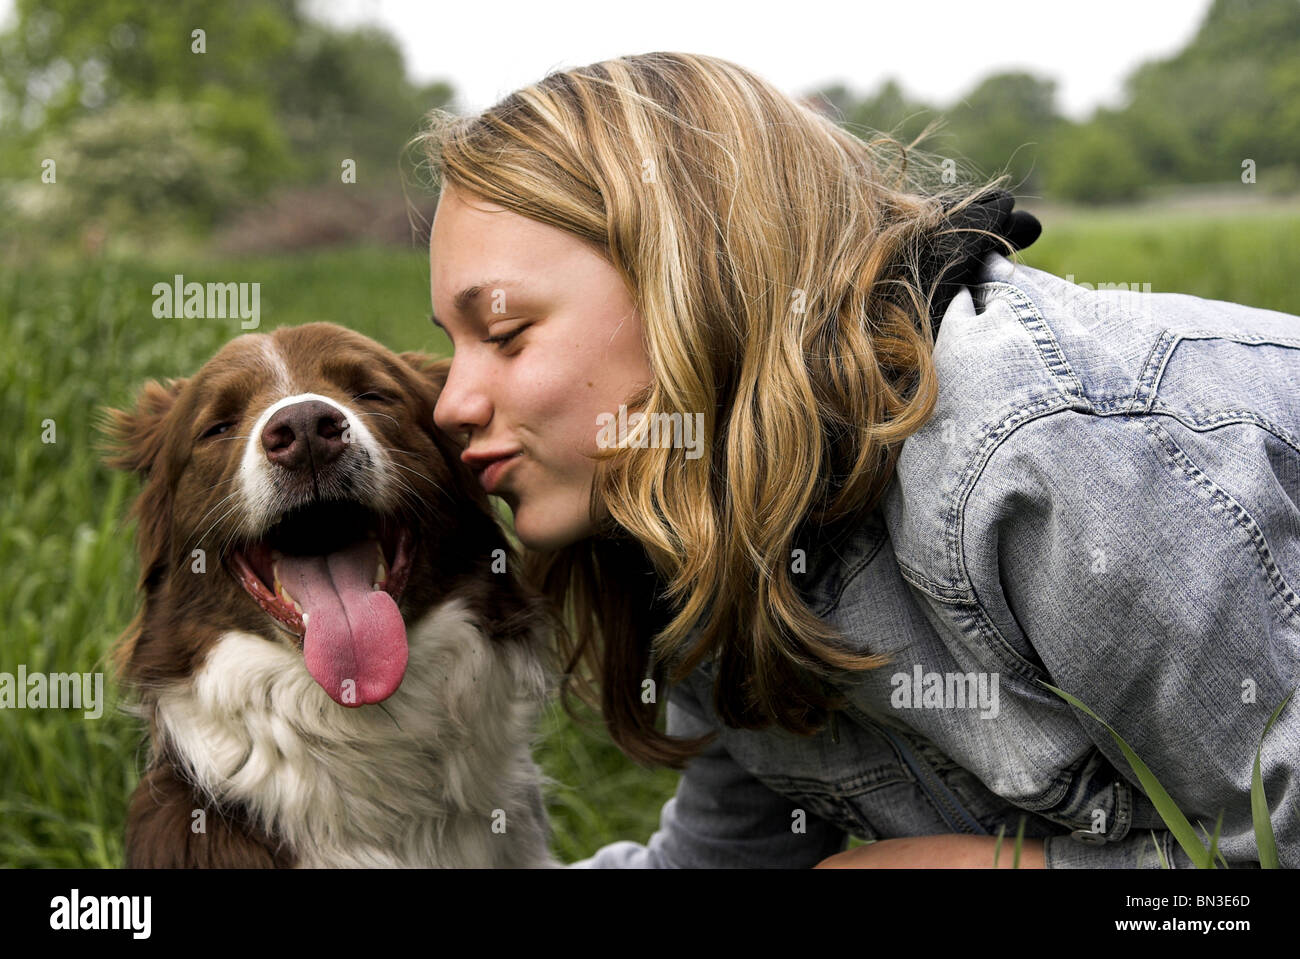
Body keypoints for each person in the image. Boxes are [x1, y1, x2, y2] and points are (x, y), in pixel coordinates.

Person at [420, 51, 1298, 868]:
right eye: (452, 345)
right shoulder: (702, 531)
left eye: (504, 333)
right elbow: (722, 864)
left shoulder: (1041, 460)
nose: (451, 402)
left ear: (692, 284)